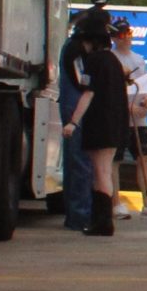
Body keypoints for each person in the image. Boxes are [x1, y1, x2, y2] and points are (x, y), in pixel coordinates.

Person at [62, 9, 132, 238]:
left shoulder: (93, 61)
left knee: (99, 173)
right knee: (105, 171)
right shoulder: (114, 62)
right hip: (115, 123)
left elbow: (88, 93)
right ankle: (104, 220)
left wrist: (73, 122)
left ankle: (100, 222)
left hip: (99, 123)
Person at [107, 16, 147, 219]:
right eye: (121, 35)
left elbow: (146, 85)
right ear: (114, 38)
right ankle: (116, 203)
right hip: (120, 118)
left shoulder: (138, 59)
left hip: (139, 119)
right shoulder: (112, 59)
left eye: (128, 34)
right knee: (115, 160)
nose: (125, 39)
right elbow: (110, 90)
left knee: (144, 159)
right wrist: (127, 107)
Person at [55, 24, 93, 233]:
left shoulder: (71, 47)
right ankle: (80, 214)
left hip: (71, 105)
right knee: (81, 162)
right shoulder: (76, 51)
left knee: (74, 162)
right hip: (75, 107)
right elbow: (81, 82)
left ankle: (75, 214)